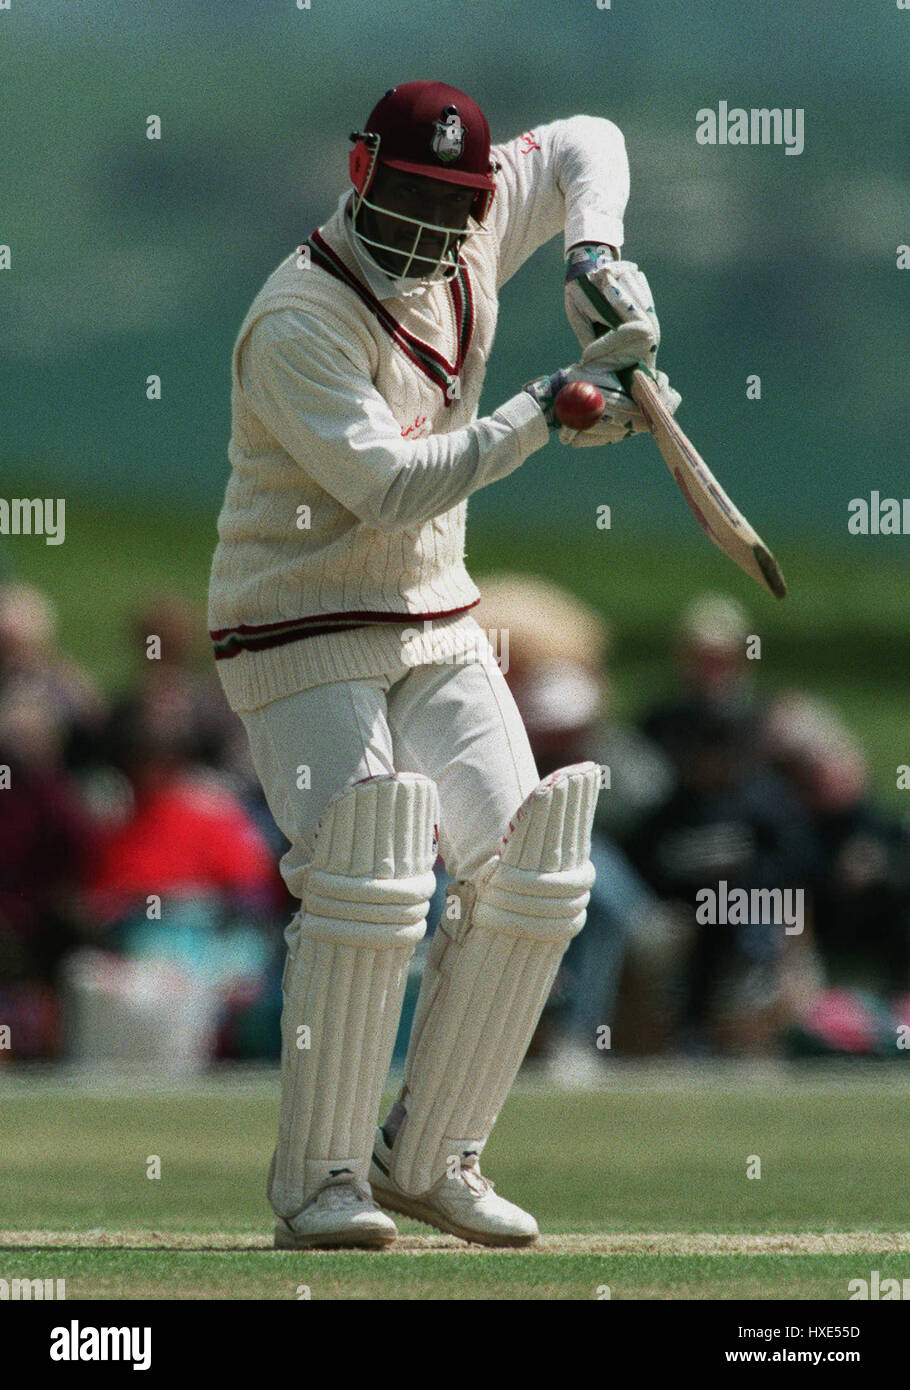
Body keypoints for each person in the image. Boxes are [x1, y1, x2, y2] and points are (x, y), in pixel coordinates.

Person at [207, 81, 680, 1249]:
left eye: (450, 205)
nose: (428, 227)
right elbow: (387, 485)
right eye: (406, 196)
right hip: (299, 621)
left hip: (434, 613)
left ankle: (429, 1159)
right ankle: (319, 1184)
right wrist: (548, 412)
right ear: (360, 173)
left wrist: (594, 256)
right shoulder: (300, 318)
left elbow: (588, 138)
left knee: (536, 865)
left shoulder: (474, 227)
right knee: (372, 876)